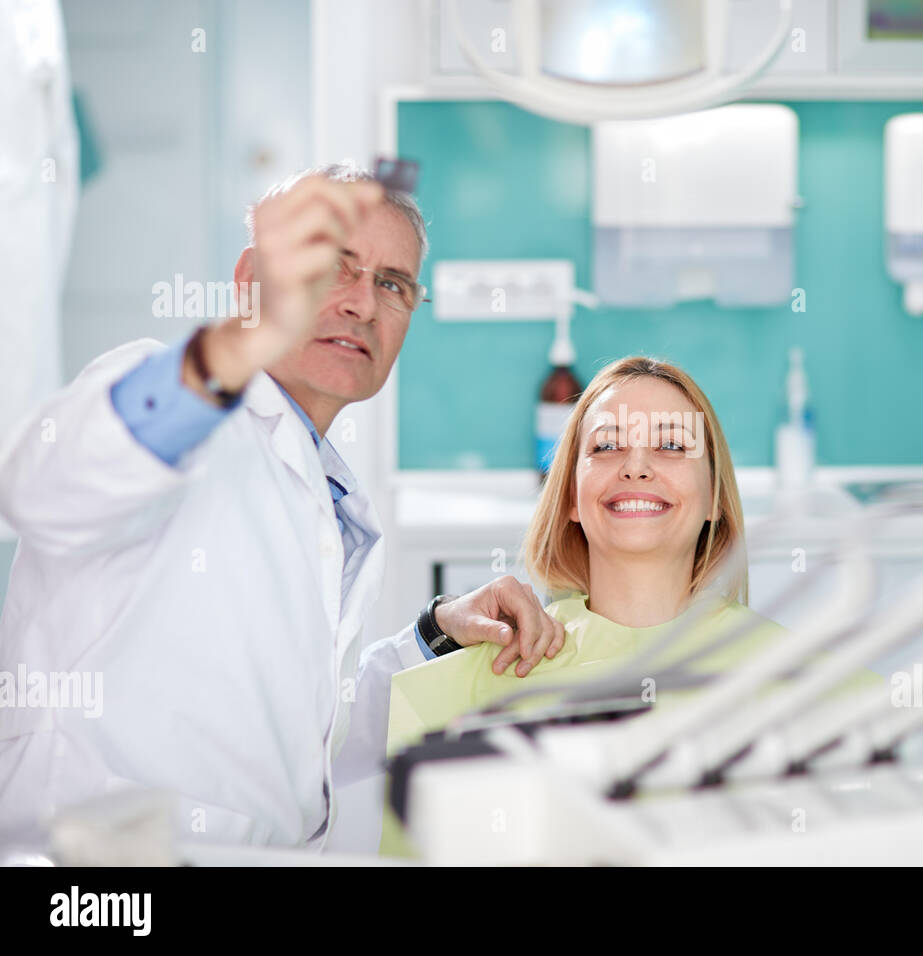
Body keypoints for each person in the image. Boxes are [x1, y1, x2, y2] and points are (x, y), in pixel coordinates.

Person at [0, 163, 565, 848]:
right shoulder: (171, 405)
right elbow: (44, 490)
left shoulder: (324, 489)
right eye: (333, 267)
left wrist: (435, 635)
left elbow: (298, 737)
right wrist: (235, 346)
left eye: (392, 284)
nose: (361, 303)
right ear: (250, 283)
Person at [386, 356, 789, 747]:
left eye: (671, 444)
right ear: (572, 498)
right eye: (607, 446)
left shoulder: (790, 672)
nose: (636, 466)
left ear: (714, 496)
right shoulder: (487, 673)